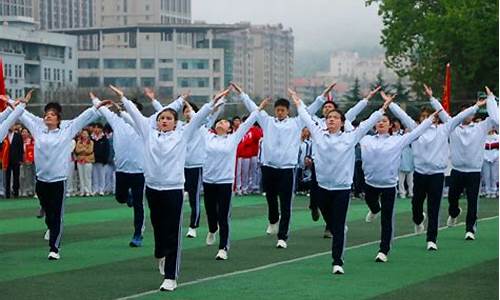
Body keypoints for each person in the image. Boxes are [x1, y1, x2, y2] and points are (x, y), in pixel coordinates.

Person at [111, 84, 223, 292]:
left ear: (175, 123)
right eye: (161, 118)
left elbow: (198, 119)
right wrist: (123, 99)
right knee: (158, 228)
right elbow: (135, 115)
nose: (164, 121)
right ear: (157, 121)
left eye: (169, 118)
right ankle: (160, 253)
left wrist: (213, 103)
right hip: (153, 189)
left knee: (173, 231)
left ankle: (171, 276)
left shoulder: (182, 134)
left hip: (173, 190)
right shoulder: (149, 134)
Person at [289, 88, 392, 275]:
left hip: (342, 189)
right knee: (334, 225)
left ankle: (337, 261)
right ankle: (338, 228)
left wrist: (382, 108)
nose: (331, 119)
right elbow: (305, 117)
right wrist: (297, 103)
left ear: (342, 122)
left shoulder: (350, 137)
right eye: (329, 117)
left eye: (336, 117)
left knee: (337, 226)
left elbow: (367, 123)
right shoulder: (318, 133)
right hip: (321, 188)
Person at [232, 82, 326, 249]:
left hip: (287, 169)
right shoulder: (267, 121)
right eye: (278, 110)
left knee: (286, 203)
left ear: (288, 111)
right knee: (270, 198)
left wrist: (322, 97)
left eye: (283, 110)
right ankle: (273, 219)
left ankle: (282, 237)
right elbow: (254, 108)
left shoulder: (296, 123)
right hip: (268, 167)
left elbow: (309, 111)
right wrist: (241, 93)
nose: (280, 112)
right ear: (275, 110)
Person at [389, 84, 482, 250]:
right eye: (424, 117)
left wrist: (476, 106)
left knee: (434, 208)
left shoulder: (444, 129)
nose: (427, 119)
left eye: (430, 116)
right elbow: (402, 116)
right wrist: (390, 104)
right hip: (420, 174)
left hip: (437, 175)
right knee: (416, 205)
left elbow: (459, 117)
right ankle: (418, 220)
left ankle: (431, 239)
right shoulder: (415, 129)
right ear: (420, 119)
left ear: (436, 118)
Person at [16, 91, 108, 260]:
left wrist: (96, 106)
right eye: (46, 115)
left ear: (58, 119)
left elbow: (82, 118)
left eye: (52, 115)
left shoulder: (66, 131)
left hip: (58, 180)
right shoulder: (38, 130)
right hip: (41, 180)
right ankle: (50, 225)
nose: (47, 117)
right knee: (49, 214)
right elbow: (23, 115)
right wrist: (20, 102)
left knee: (56, 214)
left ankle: (54, 248)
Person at [91, 88, 184, 247]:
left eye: (130, 108)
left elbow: (166, 112)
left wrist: (180, 100)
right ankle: (129, 199)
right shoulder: (117, 121)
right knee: (120, 197)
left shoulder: (146, 124)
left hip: (140, 172)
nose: (126, 109)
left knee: (139, 206)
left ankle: (137, 234)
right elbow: (105, 112)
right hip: (121, 170)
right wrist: (95, 100)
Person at [361, 91, 437, 263]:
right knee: (374, 206)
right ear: (374, 125)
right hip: (370, 183)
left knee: (387, 219)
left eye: (384, 121)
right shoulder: (365, 139)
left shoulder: (398, 140)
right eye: (378, 121)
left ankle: (383, 250)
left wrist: (430, 120)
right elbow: (351, 126)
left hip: (388, 185)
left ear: (390, 125)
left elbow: (416, 133)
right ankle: (374, 209)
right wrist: (374, 107)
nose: (381, 123)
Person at [430, 87, 497, 241]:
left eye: (470, 112)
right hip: (457, 170)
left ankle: (470, 229)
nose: (468, 115)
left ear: (473, 115)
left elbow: (494, 118)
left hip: (473, 171)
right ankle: (454, 213)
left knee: (473, 201)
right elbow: (441, 112)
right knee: (452, 198)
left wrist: (491, 99)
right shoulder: (452, 126)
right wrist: (432, 98)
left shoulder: (481, 126)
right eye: (464, 113)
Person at [202, 95, 261, 260]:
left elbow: (248, 122)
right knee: (211, 213)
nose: (221, 123)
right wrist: (216, 104)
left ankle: (223, 248)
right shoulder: (207, 136)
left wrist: (258, 108)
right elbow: (202, 121)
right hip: (208, 180)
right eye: (219, 122)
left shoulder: (233, 138)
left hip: (225, 182)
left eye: (225, 122)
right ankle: (212, 229)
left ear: (230, 128)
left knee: (224, 216)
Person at [181, 100, 222, 239]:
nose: (188, 113)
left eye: (190, 110)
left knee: (194, 197)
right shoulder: (180, 127)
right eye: (185, 111)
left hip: (196, 166)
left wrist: (219, 103)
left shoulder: (202, 126)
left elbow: (214, 114)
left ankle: (193, 226)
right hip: (180, 166)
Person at [3, 123, 23, 198]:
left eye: (12, 125)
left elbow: (21, 149)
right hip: (6, 160)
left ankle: (16, 193)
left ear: (14, 127)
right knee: (7, 177)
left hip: (16, 160)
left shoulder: (18, 136)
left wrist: (21, 159)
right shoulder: (4, 136)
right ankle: (7, 193)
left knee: (16, 177)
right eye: (9, 125)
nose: (11, 127)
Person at [91, 123, 109, 196]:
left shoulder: (104, 138)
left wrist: (105, 159)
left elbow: (107, 149)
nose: (96, 129)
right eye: (95, 128)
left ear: (101, 129)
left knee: (101, 175)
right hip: (93, 159)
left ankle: (101, 189)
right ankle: (95, 189)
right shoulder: (91, 137)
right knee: (94, 175)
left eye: (98, 128)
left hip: (101, 160)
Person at [74, 129, 94, 197]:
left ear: (88, 134)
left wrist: (82, 149)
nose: (84, 135)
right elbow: (77, 150)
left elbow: (90, 150)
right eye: (83, 133)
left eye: (85, 133)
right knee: (81, 176)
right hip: (80, 160)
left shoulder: (91, 142)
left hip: (88, 160)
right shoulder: (79, 142)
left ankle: (88, 190)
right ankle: (82, 191)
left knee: (87, 176)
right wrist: (83, 149)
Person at [482, 129, 499, 198]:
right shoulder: (483, 137)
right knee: (486, 176)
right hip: (485, 158)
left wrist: (496, 157)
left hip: (496, 158)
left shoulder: (498, 137)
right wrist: (485, 157)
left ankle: (494, 191)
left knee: (495, 176)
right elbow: (481, 148)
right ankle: (487, 191)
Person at [20, 127, 35, 197]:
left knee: (32, 176)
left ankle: (32, 190)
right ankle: (24, 191)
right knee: (23, 176)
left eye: (25, 132)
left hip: (32, 161)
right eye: (22, 132)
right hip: (22, 161)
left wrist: (31, 159)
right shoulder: (19, 141)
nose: (24, 133)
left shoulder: (31, 141)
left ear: (28, 133)